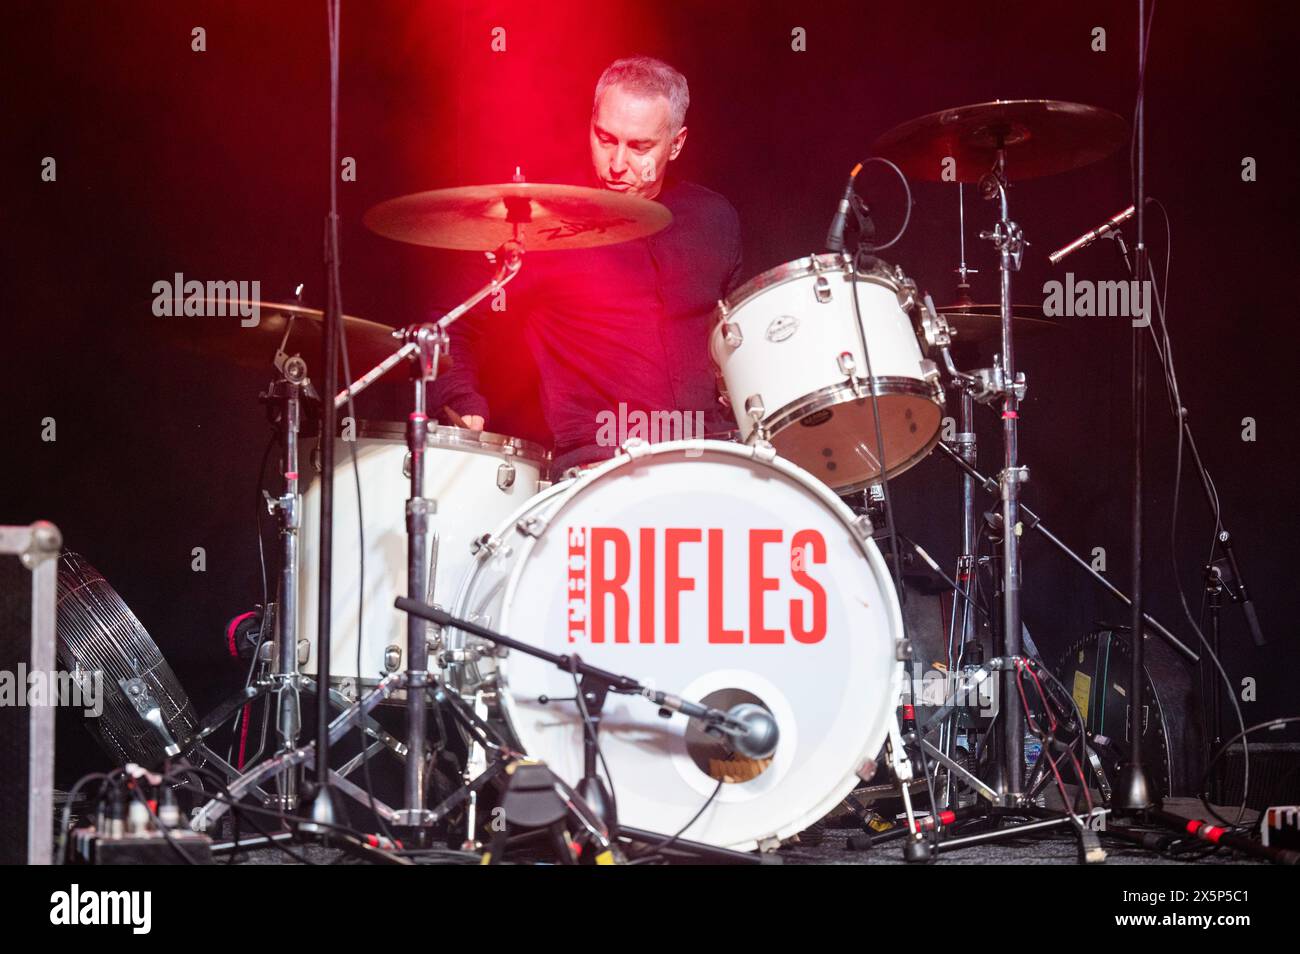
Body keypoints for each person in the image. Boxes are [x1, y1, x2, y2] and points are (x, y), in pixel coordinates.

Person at [436, 55, 743, 473]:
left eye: (639, 147)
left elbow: (739, 332)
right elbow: (454, 325)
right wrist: (461, 399)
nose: (617, 165)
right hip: (599, 464)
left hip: (713, 454)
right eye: (605, 138)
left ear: (676, 142)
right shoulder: (545, 225)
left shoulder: (714, 218)